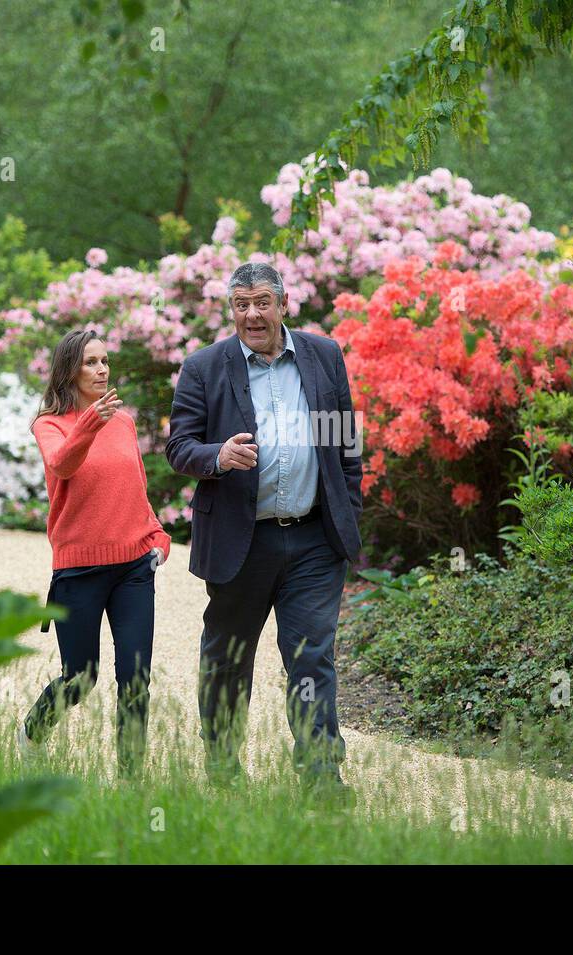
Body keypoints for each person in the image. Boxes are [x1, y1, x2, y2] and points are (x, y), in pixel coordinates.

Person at [165, 261, 363, 800]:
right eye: (241, 305)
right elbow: (178, 448)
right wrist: (218, 455)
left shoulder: (324, 357)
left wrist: (348, 510)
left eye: (261, 303)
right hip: (240, 542)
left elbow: (345, 444)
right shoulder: (205, 368)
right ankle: (225, 774)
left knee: (311, 657)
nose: (252, 314)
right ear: (232, 310)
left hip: (313, 542)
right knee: (228, 658)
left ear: (282, 303)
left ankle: (322, 779)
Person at [18, 329, 172, 778]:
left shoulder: (122, 422)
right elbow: (62, 464)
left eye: (105, 361)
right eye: (91, 362)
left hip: (133, 569)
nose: (102, 370)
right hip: (78, 569)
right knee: (80, 677)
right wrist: (89, 422)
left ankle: (131, 778)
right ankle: (31, 732)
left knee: (136, 675)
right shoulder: (48, 425)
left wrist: (157, 535)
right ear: (70, 369)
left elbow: (135, 488)